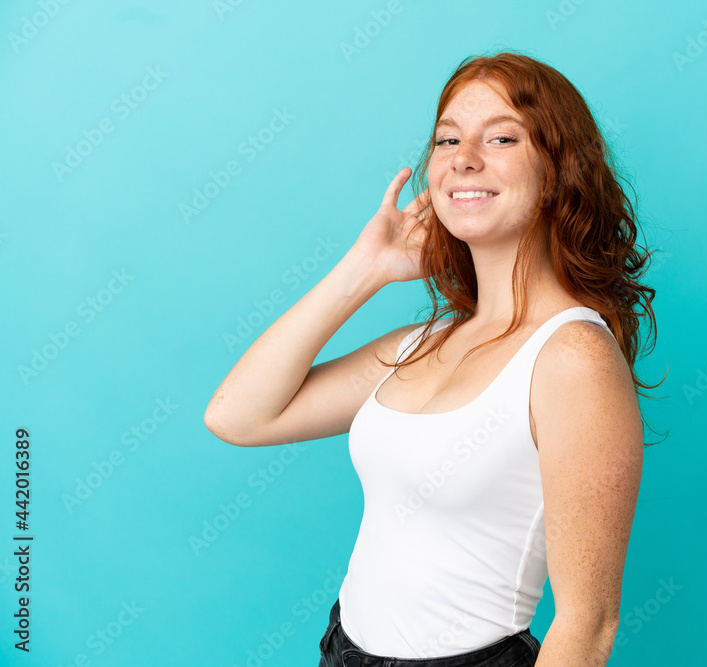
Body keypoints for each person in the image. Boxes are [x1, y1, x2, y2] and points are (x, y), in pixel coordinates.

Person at [204, 50, 665, 667]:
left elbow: (589, 624)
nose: (464, 157)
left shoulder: (572, 355)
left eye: (502, 136)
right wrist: (365, 270)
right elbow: (237, 416)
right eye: (447, 138)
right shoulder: (421, 344)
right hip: (343, 651)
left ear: (559, 171)